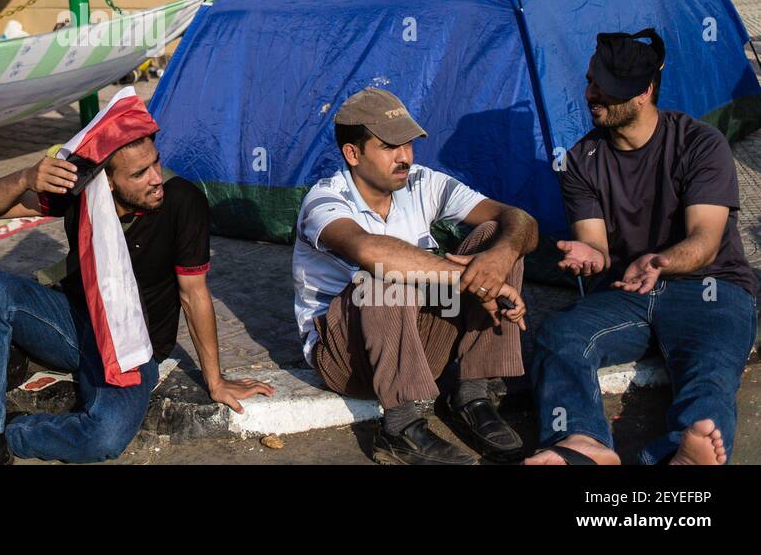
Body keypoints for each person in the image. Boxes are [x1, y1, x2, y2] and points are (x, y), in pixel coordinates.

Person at [0, 91, 274, 464]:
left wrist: (215, 380)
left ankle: (13, 434)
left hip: (133, 344)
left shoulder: (183, 202)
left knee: (105, 438)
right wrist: (26, 176)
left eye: (156, 163)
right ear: (107, 181)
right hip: (74, 323)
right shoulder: (82, 193)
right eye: (139, 173)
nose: (156, 178)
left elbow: (193, 295)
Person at [526, 30, 756, 466]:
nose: (594, 95)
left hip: (710, 286)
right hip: (626, 292)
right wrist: (590, 256)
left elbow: (706, 240)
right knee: (562, 335)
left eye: (607, 90)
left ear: (645, 92)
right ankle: (582, 440)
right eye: (592, 81)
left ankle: (681, 455)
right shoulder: (581, 161)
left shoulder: (700, 143)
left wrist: (661, 261)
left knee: (709, 370)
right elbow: (594, 241)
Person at [295, 87, 538, 464]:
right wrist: (465, 279)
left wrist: (498, 260)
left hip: (415, 340)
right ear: (353, 154)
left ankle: (474, 393)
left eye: (408, 144)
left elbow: (520, 220)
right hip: (347, 358)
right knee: (380, 278)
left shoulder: (423, 182)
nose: (405, 157)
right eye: (390, 147)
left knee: (497, 240)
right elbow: (369, 251)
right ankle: (399, 429)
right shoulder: (325, 199)